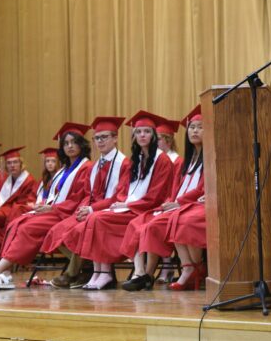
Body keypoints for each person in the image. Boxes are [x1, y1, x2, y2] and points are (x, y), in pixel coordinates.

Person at [0, 123, 92, 289]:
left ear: (81, 144)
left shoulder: (86, 167)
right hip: (57, 211)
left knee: (28, 228)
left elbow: (81, 197)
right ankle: (5, 273)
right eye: (66, 143)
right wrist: (45, 206)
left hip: (68, 214)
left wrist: (53, 208)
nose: (69, 146)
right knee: (17, 222)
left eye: (74, 142)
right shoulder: (65, 169)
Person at [77, 111, 174, 291]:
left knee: (99, 219)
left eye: (146, 132)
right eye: (138, 132)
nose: (142, 135)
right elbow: (123, 189)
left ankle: (111, 273)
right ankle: (99, 272)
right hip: (131, 207)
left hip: (149, 208)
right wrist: (120, 202)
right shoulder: (136, 159)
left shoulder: (162, 160)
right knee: (95, 217)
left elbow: (157, 195)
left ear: (153, 135)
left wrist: (128, 205)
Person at [120, 105, 205, 291]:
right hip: (179, 205)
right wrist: (170, 201)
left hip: (191, 206)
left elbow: (202, 189)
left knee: (175, 220)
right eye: (192, 127)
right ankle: (145, 274)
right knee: (146, 223)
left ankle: (191, 268)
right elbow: (175, 189)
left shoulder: (207, 159)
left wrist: (177, 203)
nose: (195, 131)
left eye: (200, 127)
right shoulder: (189, 160)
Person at [42, 116, 131, 289]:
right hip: (92, 209)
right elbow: (89, 193)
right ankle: (89, 267)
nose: (100, 141)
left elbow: (118, 196)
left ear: (115, 138)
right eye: (97, 138)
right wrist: (83, 208)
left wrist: (91, 209)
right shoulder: (96, 165)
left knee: (80, 231)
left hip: (111, 210)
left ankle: (73, 273)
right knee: (57, 231)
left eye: (104, 137)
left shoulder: (124, 163)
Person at [0, 146, 37, 261]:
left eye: (15, 162)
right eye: (9, 163)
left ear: (21, 163)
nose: (12, 165)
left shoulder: (28, 180)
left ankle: (0, 250)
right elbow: (0, 199)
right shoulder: (7, 180)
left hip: (18, 211)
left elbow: (28, 202)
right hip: (7, 210)